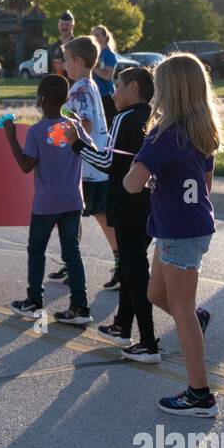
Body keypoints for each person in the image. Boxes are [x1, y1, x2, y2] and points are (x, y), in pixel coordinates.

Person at [123, 53, 223, 416]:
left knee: (180, 309)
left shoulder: (163, 134)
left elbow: (132, 185)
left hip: (178, 230)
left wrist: (136, 169)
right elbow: (206, 184)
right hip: (181, 225)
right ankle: (197, 319)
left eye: (158, 86)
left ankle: (200, 394)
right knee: (156, 293)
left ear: (170, 91)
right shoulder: (201, 130)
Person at [78, 66, 158, 362]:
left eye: (118, 86)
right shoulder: (152, 115)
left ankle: (148, 342)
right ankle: (122, 325)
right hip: (149, 202)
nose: (113, 93)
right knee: (130, 262)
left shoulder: (124, 117)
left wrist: (77, 144)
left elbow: (107, 162)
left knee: (135, 271)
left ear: (133, 88)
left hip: (126, 204)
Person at [3, 74, 91, 326]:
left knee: (36, 250)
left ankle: (33, 301)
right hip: (73, 201)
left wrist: (10, 137)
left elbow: (25, 166)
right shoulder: (74, 127)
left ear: (40, 99)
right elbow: (89, 148)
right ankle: (80, 306)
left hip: (46, 204)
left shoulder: (37, 131)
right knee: (72, 252)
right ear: (64, 99)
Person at [54, 35, 120, 289]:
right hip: (93, 162)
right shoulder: (88, 85)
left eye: (67, 60)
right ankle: (72, 261)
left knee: (99, 214)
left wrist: (58, 137)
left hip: (88, 165)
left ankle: (121, 263)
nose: (64, 64)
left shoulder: (80, 88)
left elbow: (84, 123)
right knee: (75, 214)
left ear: (79, 60)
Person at [90, 25, 119, 102]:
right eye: (92, 35)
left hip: (106, 96)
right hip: (94, 94)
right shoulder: (94, 53)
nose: (94, 38)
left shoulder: (109, 54)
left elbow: (108, 76)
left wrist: (91, 66)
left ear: (105, 37)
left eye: (97, 35)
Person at [45, 10, 75, 77]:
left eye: (67, 25)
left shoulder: (78, 45)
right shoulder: (52, 47)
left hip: (74, 86)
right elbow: (47, 72)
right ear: (58, 26)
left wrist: (65, 67)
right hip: (56, 85)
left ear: (72, 26)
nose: (64, 27)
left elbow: (83, 69)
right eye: (62, 24)